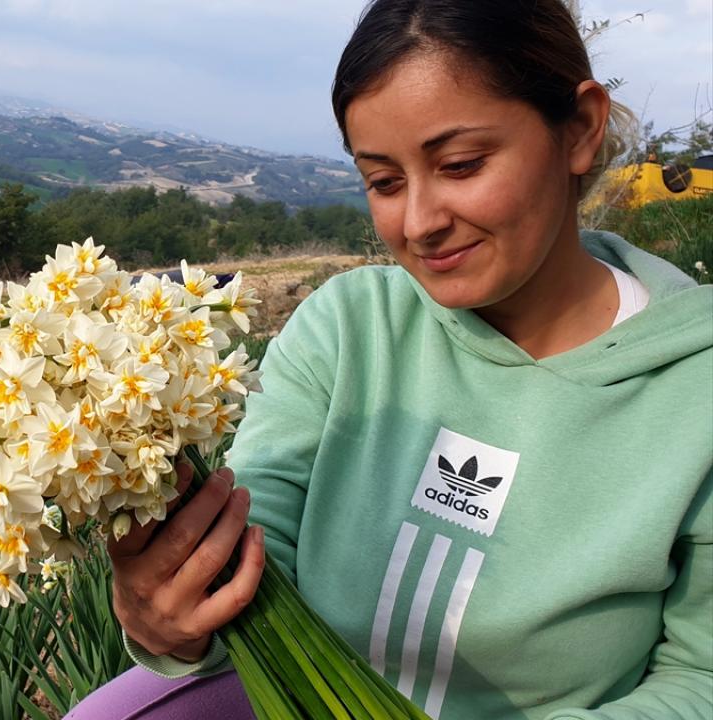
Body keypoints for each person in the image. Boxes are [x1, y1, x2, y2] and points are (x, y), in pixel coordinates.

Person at [67, 0, 713, 718]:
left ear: (581, 129)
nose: (419, 223)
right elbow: (257, 541)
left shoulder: (696, 387)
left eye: (461, 165)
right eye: (383, 181)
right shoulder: (348, 330)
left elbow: (701, 676)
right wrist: (176, 611)